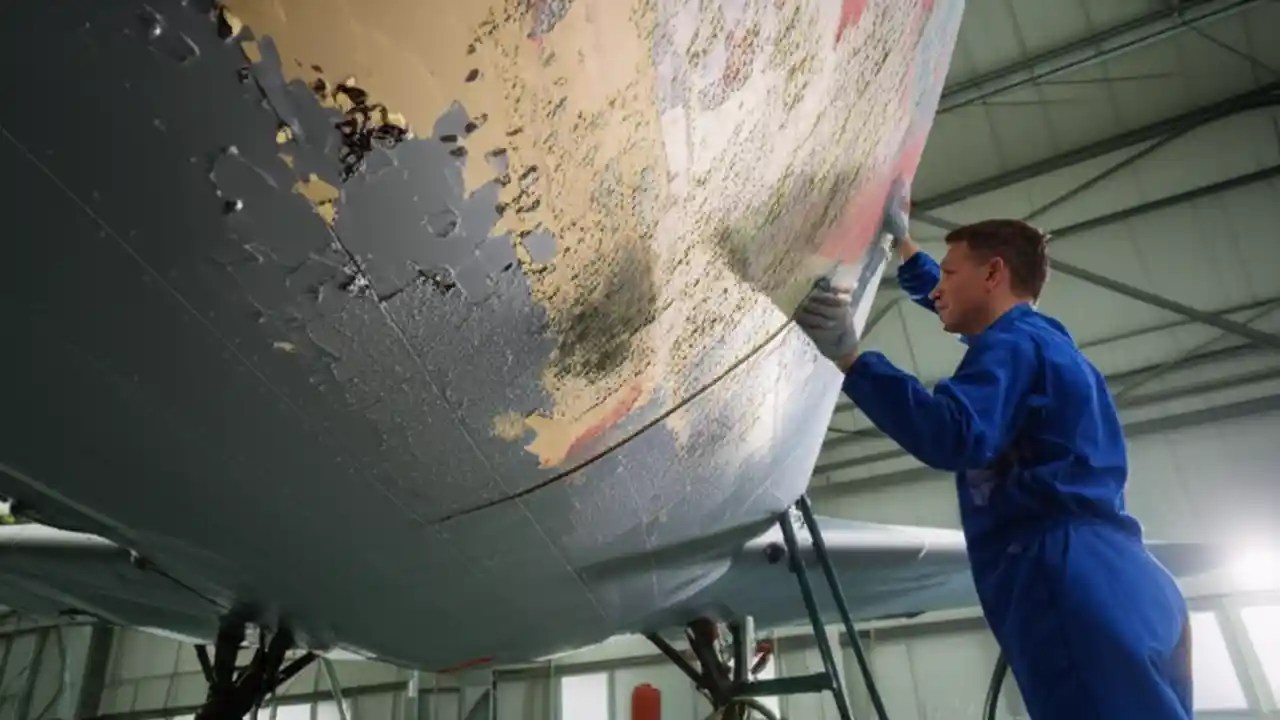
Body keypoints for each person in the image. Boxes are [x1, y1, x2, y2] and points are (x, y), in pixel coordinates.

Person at [795, 184, 1194, 719]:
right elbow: (955, 301)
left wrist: (853, 361)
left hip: (1066, 578)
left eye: (950, 274)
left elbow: (952, 435)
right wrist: (905, 243)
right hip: (1129, 580)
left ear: (993, 274)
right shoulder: (1044, 340)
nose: (939, 289)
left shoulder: (1014, 345)